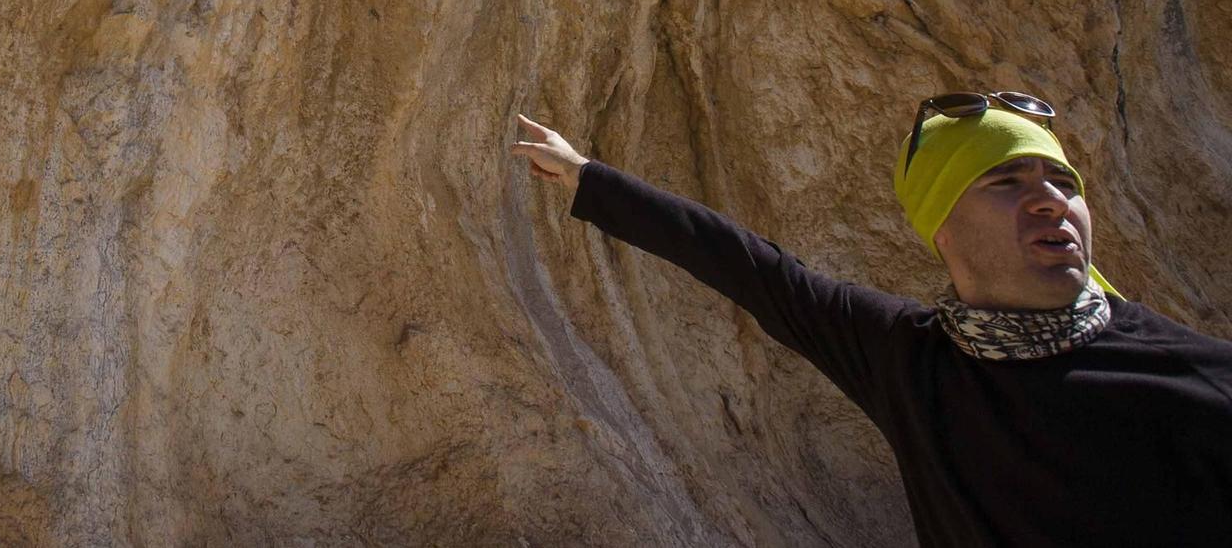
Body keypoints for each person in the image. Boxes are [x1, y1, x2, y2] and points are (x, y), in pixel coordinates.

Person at [511, 92, 1232, 546]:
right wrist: (586, 175)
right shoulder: (910, 361)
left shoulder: (1199, 377)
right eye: (1007, 180)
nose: (1051, 200)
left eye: (1063, 181)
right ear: (940, 225)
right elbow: (754, 269)